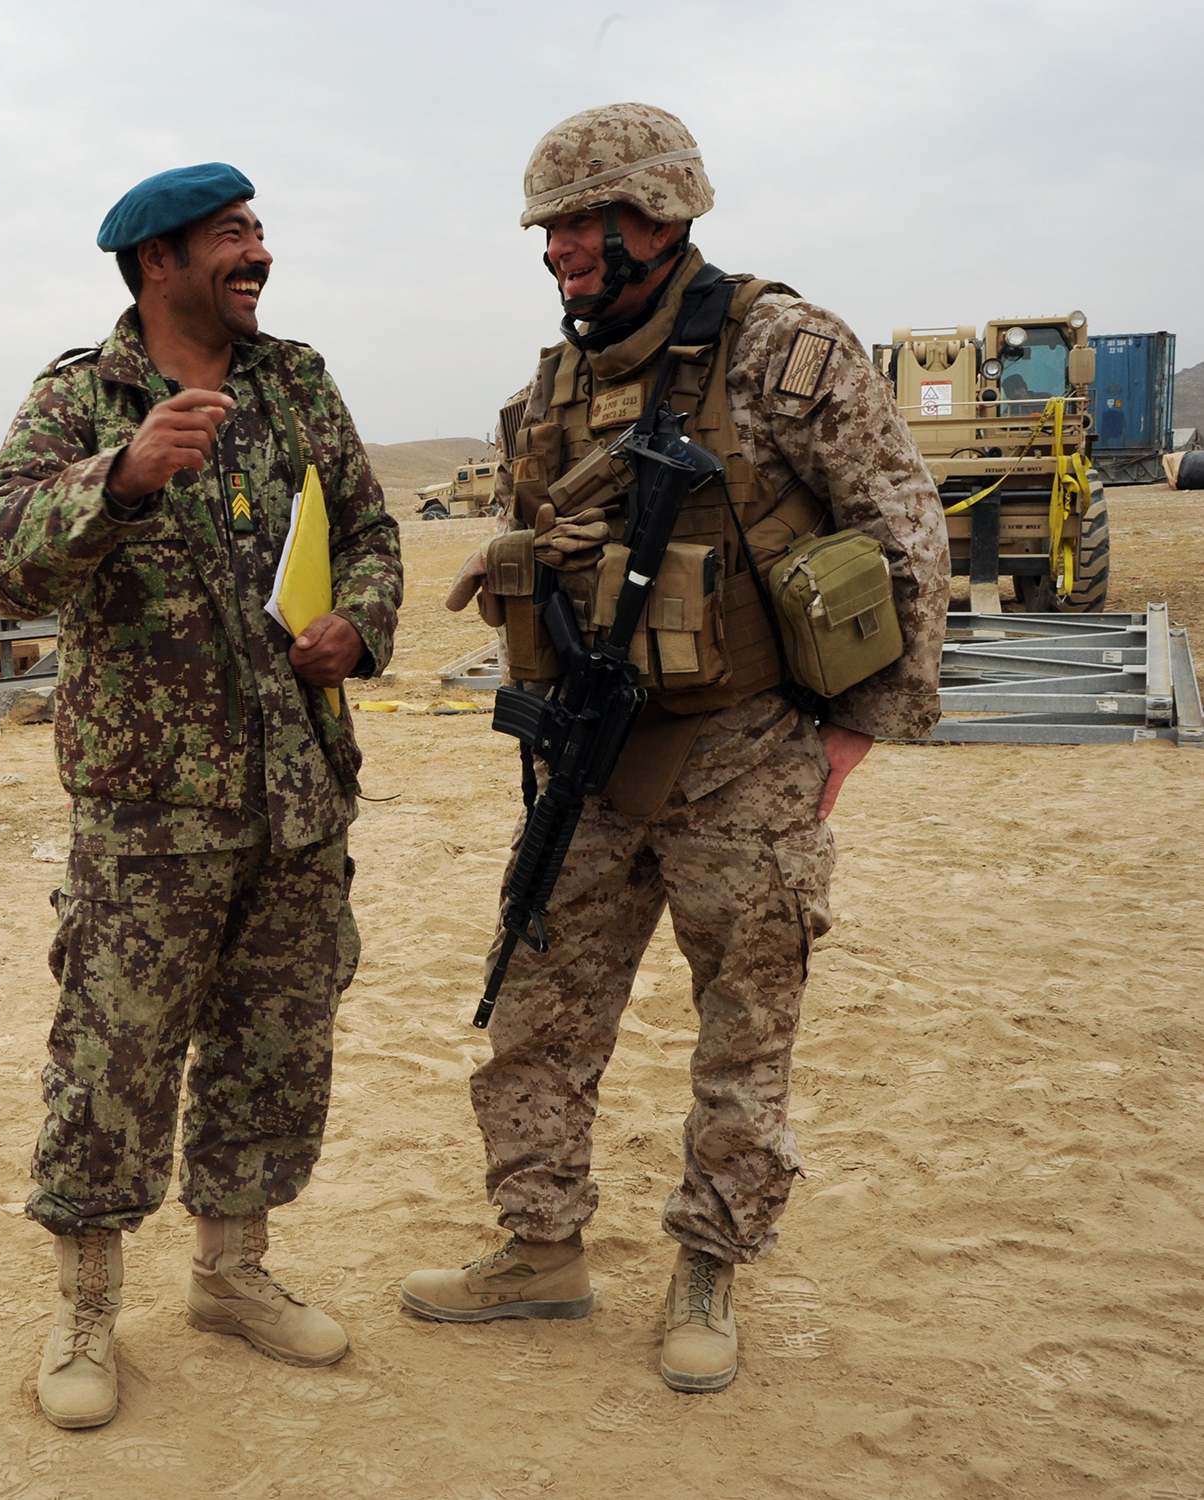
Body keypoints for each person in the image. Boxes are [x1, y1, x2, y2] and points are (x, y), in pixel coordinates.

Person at [407, 103, 949, 1395]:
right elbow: (547, 544)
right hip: (592, 762)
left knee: (745, 1027)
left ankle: (709, 1262)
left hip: (745, 757)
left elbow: (904, 530)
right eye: (546, 231)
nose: (554, 251)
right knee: (537, 1013)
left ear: (653, 216)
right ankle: (542, 1247)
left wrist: (857, 729)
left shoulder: (784, 353)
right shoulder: (550, 388)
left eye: (574, 226)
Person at [0, 162, 403, 1430]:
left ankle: (230, 1275)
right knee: (114, 1059)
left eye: (259, 231)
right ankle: (86, 1307)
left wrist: (358, 624)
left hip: (296, 794)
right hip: (149, 810)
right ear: (157, 262)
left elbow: (369, 532)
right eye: (229, 235)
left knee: (275, 1045)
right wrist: (116, 480)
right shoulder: (80, 398)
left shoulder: (296, 383)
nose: (257, 252)